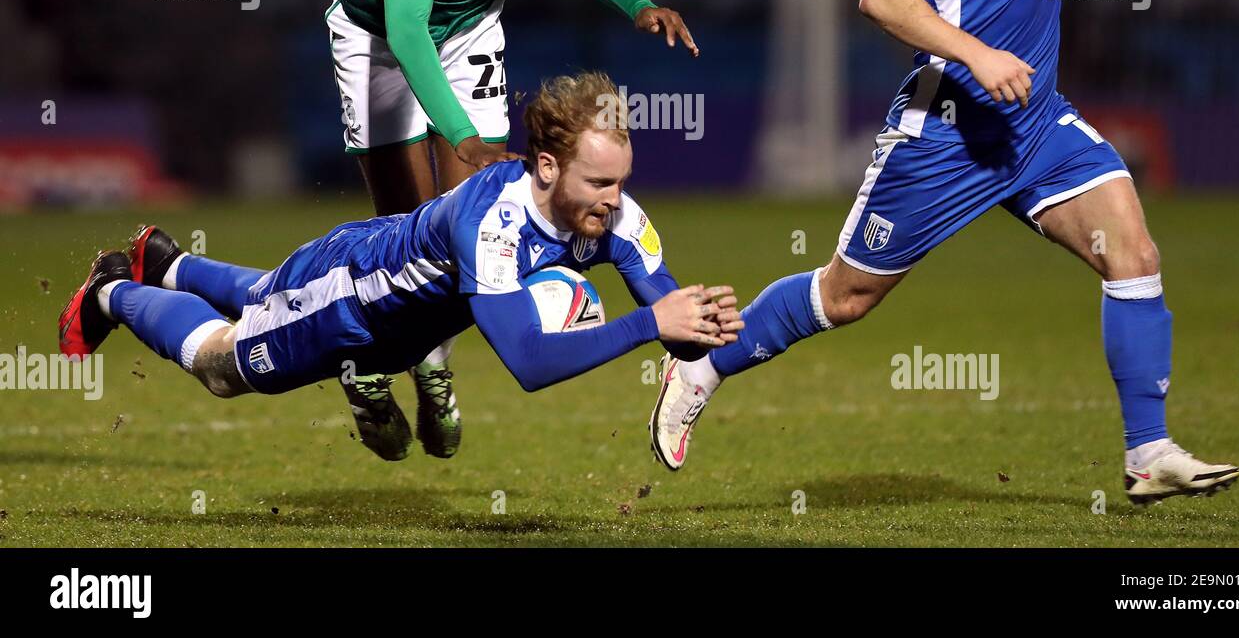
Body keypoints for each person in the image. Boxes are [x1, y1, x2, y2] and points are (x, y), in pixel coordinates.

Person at [648, 0, 1239, 506]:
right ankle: (703, 364)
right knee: (845, 297)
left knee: (1133, 252)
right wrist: (978, 55)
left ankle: (1148, 451)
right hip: (946, 135)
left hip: (1034, 129)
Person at [328, 0, 699, 458]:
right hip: (377, 34)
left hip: (469, 30)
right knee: (400, 230)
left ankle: (431, 371)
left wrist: (640, 4)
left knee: (471, 230)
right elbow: (407, 24)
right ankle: (368, 366)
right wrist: (462, 134)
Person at [59, 74, 739, 419]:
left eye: (622, 181)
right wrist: (651, 324)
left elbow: (670, 317)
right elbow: (528, 363)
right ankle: (115, 290)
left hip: (391, 314)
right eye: (599, 182)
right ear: (548, 168)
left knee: (270, 294)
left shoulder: (615, 215)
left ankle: (170, 263)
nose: (615, 199)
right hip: (350, 300)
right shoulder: (493, 225)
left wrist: (698, 328)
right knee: (224, 368)